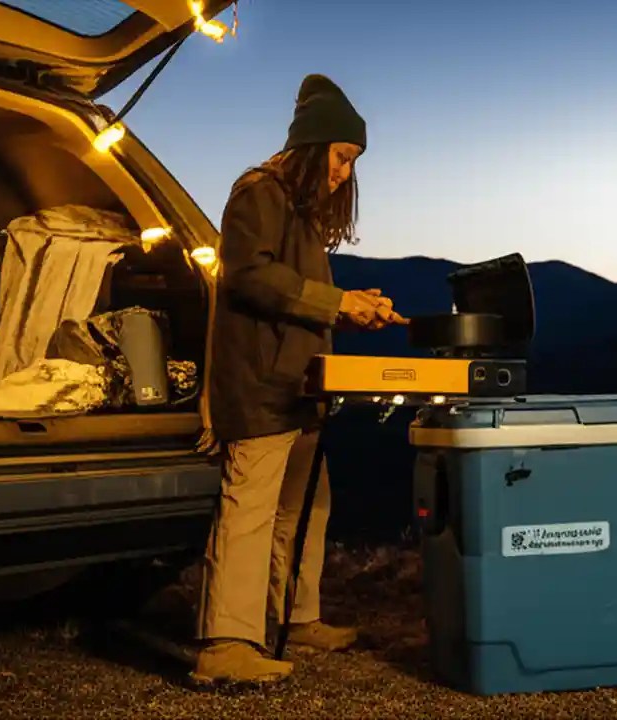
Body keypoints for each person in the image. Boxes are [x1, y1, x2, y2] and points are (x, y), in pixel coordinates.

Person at [192, 73, 405, 686]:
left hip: (299, 384)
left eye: (352, 163)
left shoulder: (303, 211)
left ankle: (294, 618)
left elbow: (304, 297)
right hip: (261, 383)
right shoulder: (258, 192)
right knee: (250, 507)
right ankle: (224, 643)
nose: (344, 173)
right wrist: (336, 303)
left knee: (306, 506)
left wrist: (352, 305)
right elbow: (248, 277)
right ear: (313, 146)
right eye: (342, 157)